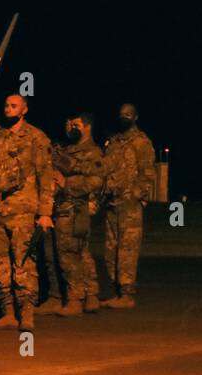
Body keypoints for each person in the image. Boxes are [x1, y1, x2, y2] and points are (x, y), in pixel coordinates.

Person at [0, 94, 54, 331]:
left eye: (14, 106)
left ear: (24, 109)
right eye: (6, 105)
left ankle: (27, 312)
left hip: (23, 210)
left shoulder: (36, 137)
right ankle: (8, 312)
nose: (8, 109)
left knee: (23, 262)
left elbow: (46, 176)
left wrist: (45, 212)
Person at [41, 112, 105, 316]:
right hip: (63, 207)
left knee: (68, 254)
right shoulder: (68, 150)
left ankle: (75, 298)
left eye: (76, 125)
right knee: (80, 252)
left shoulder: (93, 152)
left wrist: (67, 184)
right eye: (69, 124)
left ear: (87, 127)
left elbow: (97, 181)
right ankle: (91, 295)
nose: (71, 128)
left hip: (74, 208)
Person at [100, 103, 155, 308]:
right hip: (112, 202)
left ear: (136, 116)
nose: (124, 117)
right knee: (111, 248)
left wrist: (137, 194)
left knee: (127, 249)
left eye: (128, 114)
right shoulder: (114, 142)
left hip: (129, 204)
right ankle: (116, 290)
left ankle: (127, 293)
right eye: (121, 114)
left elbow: (148, 172)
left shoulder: (141, 142)